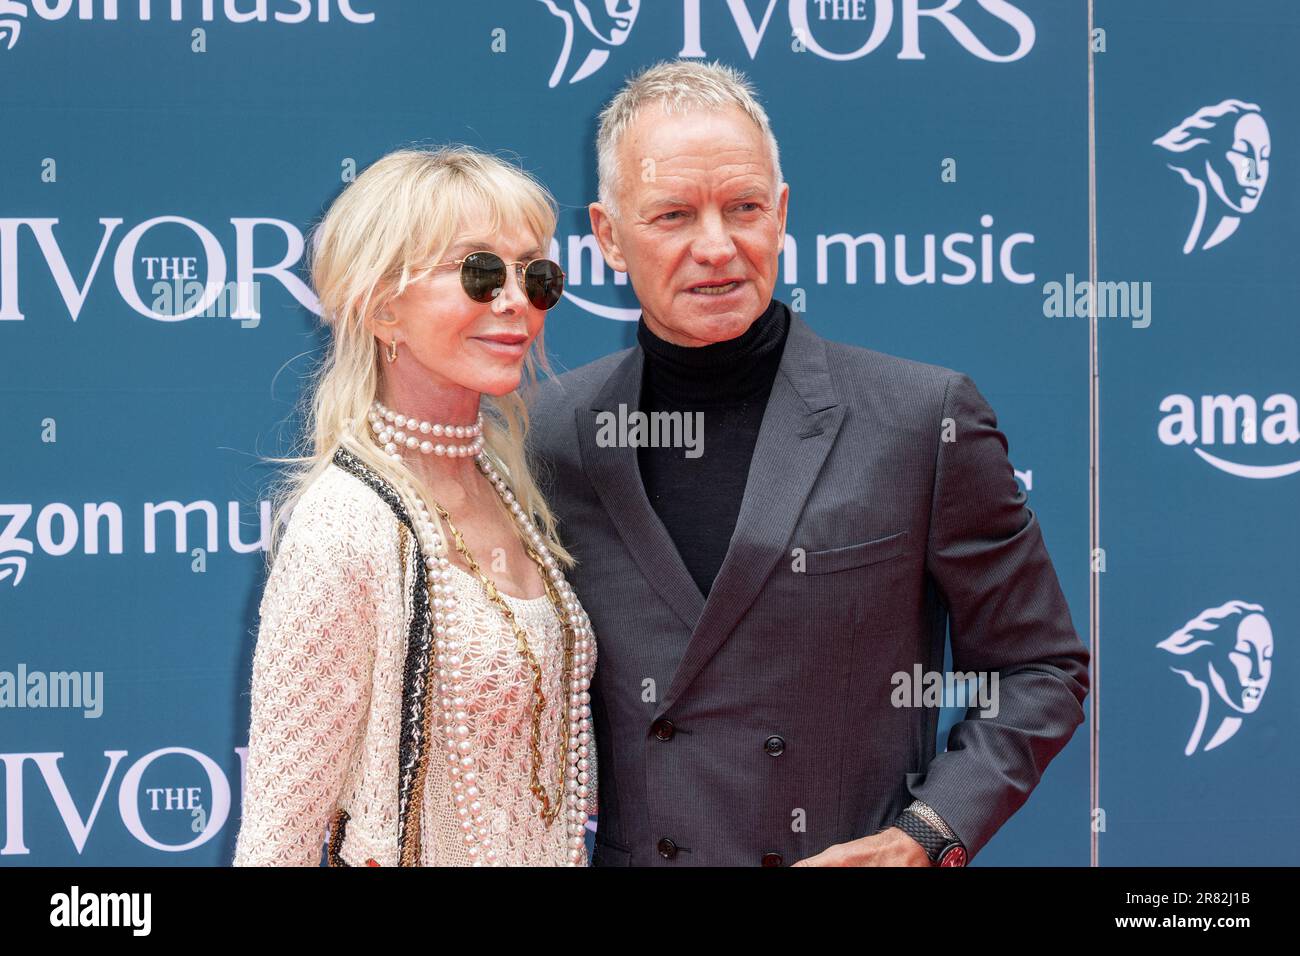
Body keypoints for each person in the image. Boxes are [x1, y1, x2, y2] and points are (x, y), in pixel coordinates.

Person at [527, 60, 1090, 867]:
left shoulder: (921, 418)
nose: (716, 247)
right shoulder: (546, 436)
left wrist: (925, 837)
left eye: (744, 207)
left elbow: (1041, 667)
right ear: (608, 235)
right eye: (674, 215)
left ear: (782, 214)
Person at [233, 146, 596, 867]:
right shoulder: (346, 524)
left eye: (537, 275)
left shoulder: (504, 488)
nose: (516, 300)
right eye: (481, 272)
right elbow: (278, 837)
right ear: (383, 306)